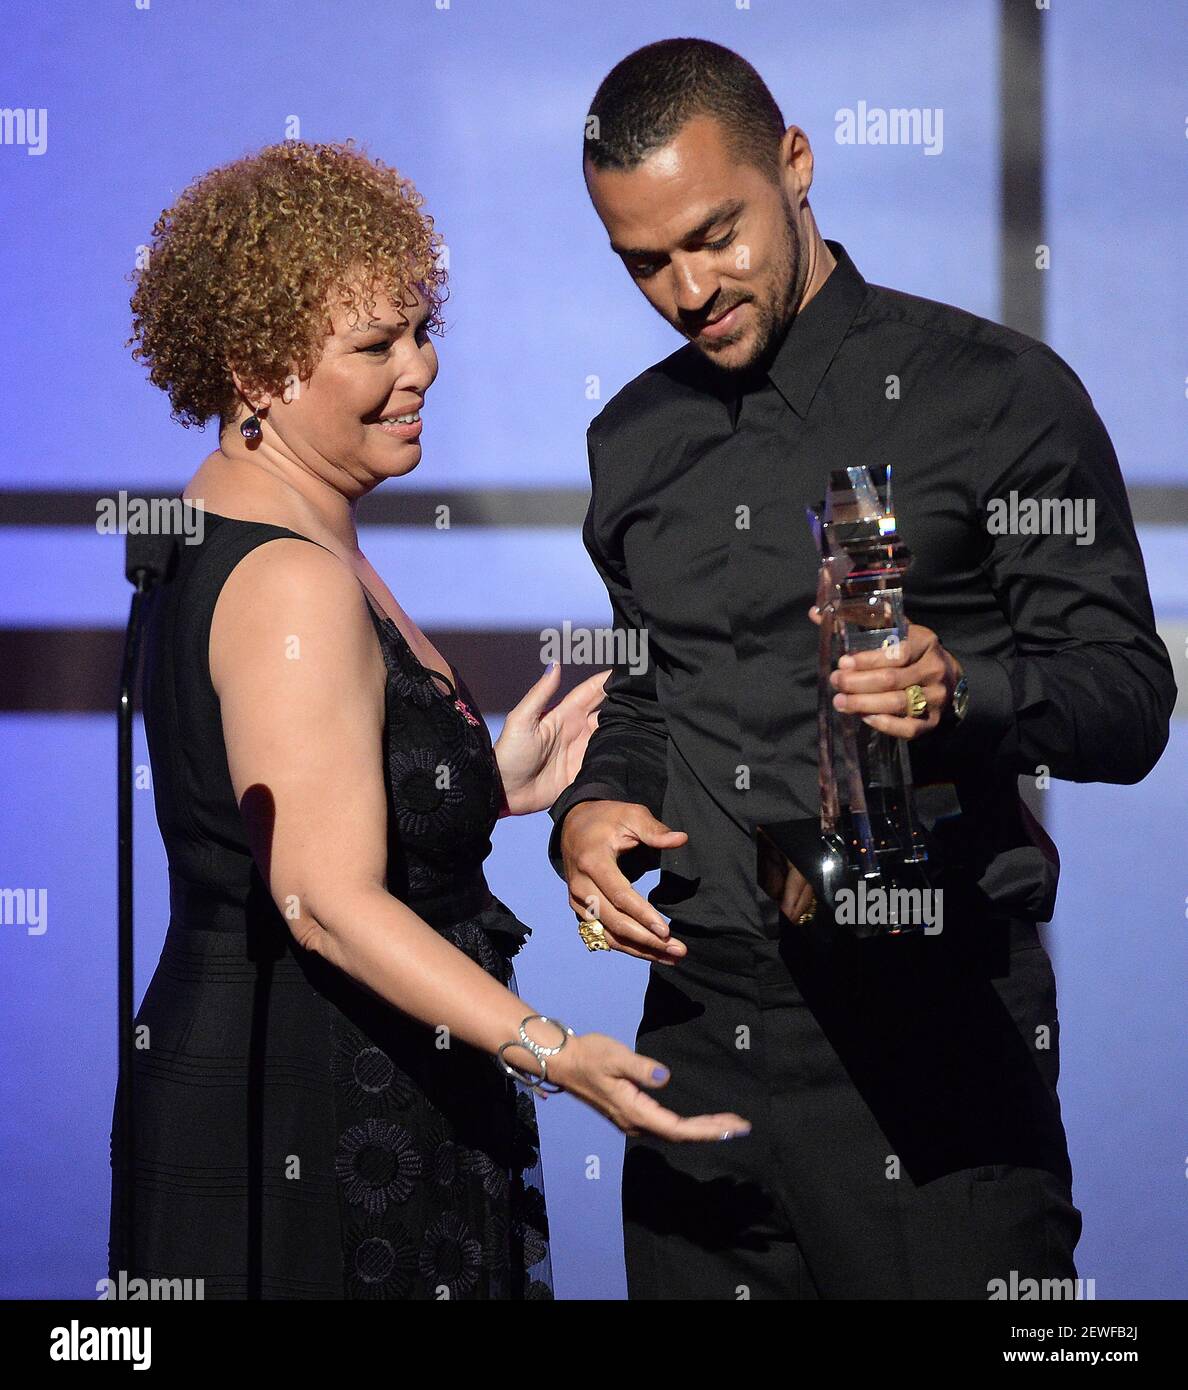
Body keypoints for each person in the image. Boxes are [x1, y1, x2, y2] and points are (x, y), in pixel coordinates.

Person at [549, 39, 1177, 1299]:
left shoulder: (997, 396)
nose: (687, 288)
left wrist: (967, 692)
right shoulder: (630, 440)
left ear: (796, 164)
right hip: (699, 1034)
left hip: (935, 1025)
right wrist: (589, 809)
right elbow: (645, 687)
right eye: (645, 263)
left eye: (715, 235)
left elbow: (1128, 694)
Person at [108, 139, 749, 1301]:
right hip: (327, 1109)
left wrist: (469, 785)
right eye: (376, 346)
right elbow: (326, 903)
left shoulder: (230, 520)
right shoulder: (292, 578)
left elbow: (269, 796)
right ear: (257, 367)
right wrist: (556, 1051)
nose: (423, 367)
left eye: (420, 328)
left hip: (283, 1070)